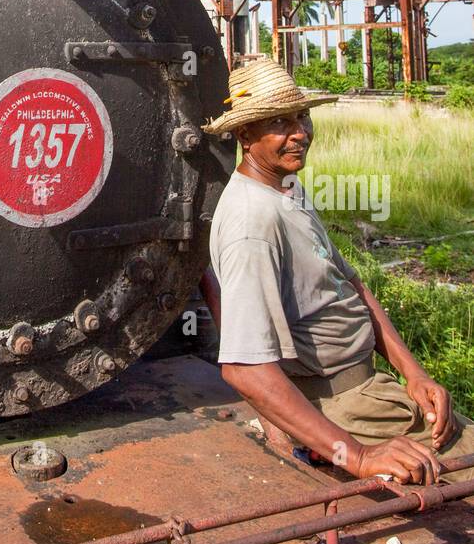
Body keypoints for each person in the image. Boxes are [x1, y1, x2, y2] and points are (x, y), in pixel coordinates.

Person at [199, 55, 474, 486]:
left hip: (374, 387)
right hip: (346, 406)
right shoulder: (253, 223)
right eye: (279, 123)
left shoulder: (286, 187)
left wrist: (414, 374)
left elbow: (350, 284)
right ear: (244, 133)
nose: (300, 134)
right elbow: (245, 369)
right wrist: (359, 456)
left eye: (302, 116)